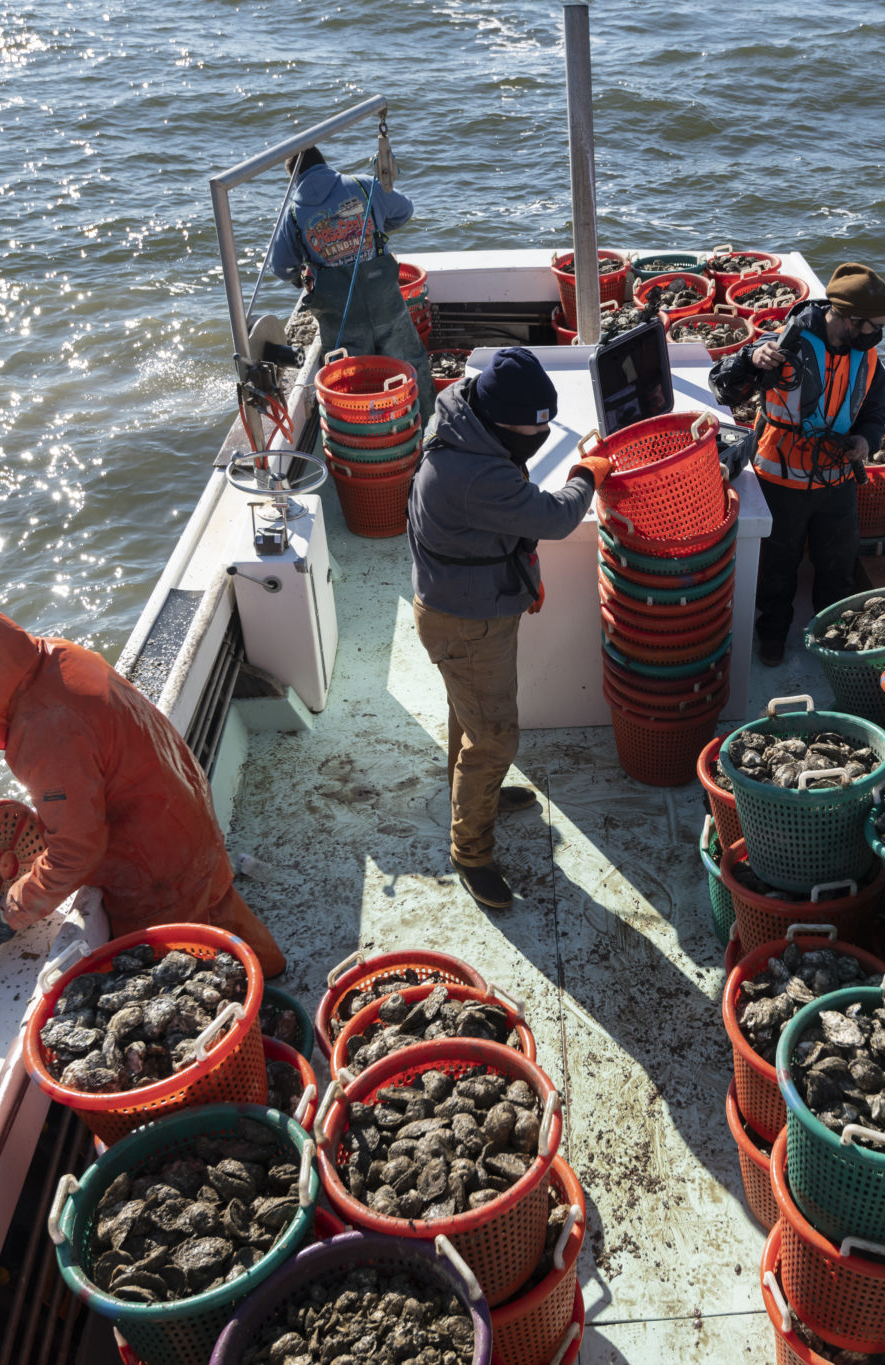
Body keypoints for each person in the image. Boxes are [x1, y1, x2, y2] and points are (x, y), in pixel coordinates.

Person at [0, 588, 286, 976]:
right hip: (186, 809)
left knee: (175, 969)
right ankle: (275, 971)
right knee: (220, 903)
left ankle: (251, 1022)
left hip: (152, 865)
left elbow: (74, 854)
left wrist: (7, 912)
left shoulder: (47, 734)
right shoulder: (50, 657)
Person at [407, 348, 610, 910]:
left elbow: (504, 524)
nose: (540, 435)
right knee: (494, 736)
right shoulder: (475, 473)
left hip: (463, 602)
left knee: (467, 710)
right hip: (467, 621)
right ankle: (470, 850)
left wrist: (524, 573)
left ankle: (473, 795)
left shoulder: (461, 418)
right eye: (534, 426)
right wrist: (584, 474)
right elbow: (554, 516)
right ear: (501, 420)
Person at [710, 262, 885, 666]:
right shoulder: (786, 342)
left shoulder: (869, 359)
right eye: (875, 324)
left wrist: (864, 440)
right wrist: (751, 358)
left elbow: (875, 413)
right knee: (777, 568)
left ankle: (833, 644)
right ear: (851, 319)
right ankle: (772, 635)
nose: (880, 333)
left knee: (837, 569)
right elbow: (722, 388)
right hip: (779, 483)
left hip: (837, 484)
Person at [266, 146, 434, 422]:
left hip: (339, 312)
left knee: (353, 379)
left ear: (294, 179)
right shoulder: (364, 185)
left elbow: (281, 267)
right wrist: (376, 228)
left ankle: (367, 433)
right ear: (324, 163)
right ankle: (428, 426)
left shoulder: (294, 214)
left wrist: (300, 273)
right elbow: (405, 210)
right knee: (409, 364)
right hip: (384, 301)